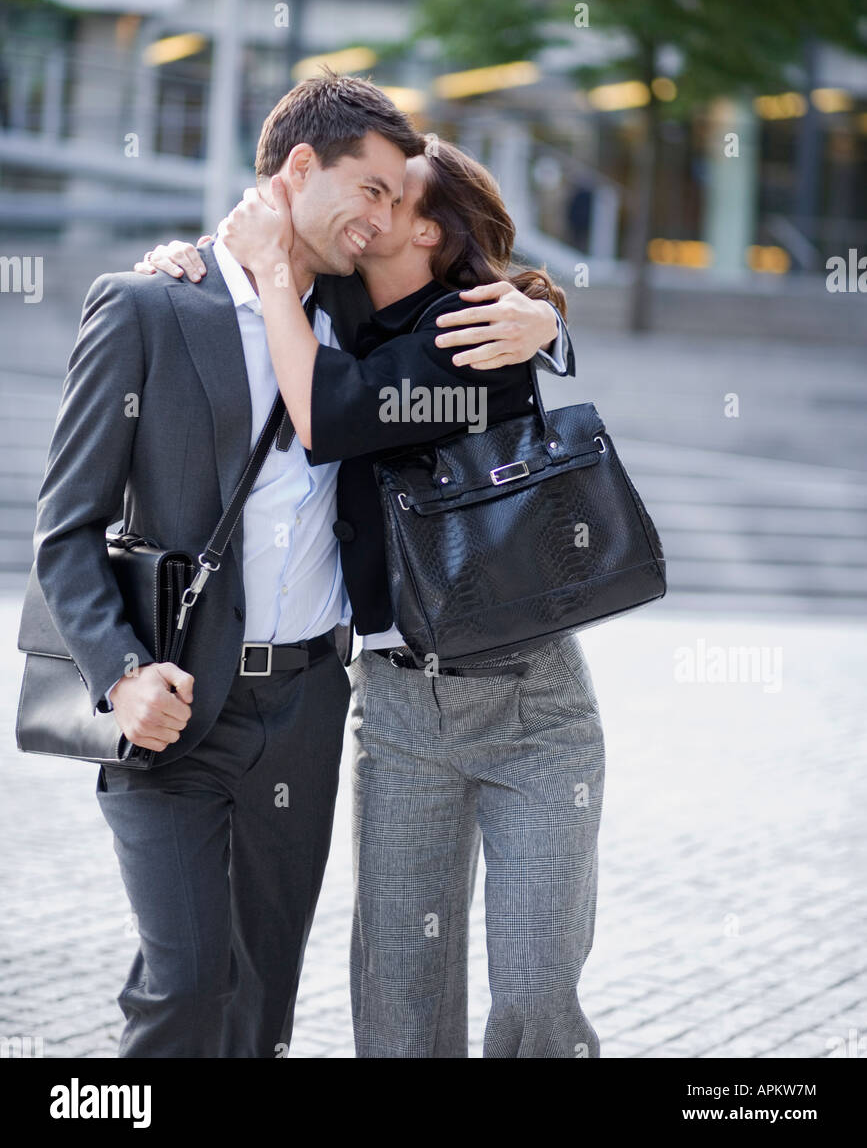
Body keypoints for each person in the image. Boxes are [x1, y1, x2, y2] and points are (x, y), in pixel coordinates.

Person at [33, 73, 565, 1059]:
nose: (381, 220)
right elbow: (66, 528)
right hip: (177, 702)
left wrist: (546, 321)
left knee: (261, 1005)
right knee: (187, 984)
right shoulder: (151, 306)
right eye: (370, 191)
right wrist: (118, 672)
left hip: (309, 712)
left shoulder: (359, 319)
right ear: (300, 168)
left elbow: (476, 307)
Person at [150, 137, 604, 1059]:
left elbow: (329, 414)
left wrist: (545, 323)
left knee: (532, 990)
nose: (367, 208)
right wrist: (189, 265)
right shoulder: (347, 314)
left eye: (389, 198)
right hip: (400, 709)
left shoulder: (474, 329)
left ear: (428, 229)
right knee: (399, 1002)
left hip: (531, 703)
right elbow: (264, 270)